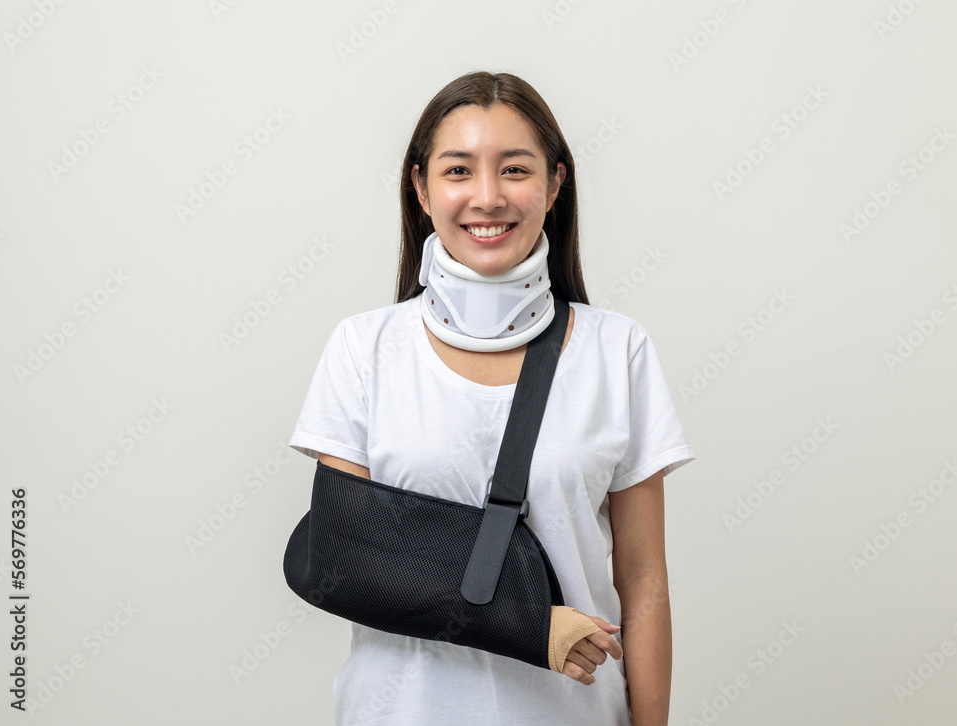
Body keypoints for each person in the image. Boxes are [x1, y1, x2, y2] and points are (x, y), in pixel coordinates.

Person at [288, 71, 695, 726]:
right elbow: (346, 559)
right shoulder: (363, 348)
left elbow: (644, 581)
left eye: (514, 169)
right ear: (421, 187)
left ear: (555, 183)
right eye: (458, 171)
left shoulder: (618, 351)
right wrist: (529, 625)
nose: (487, 197)